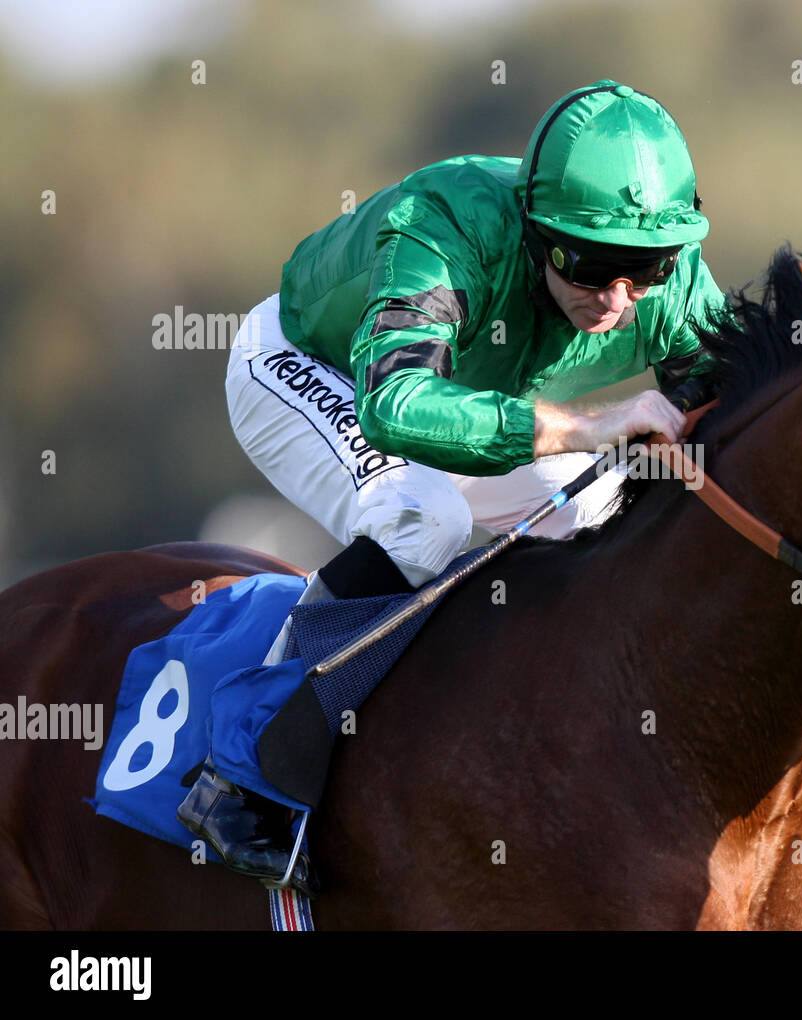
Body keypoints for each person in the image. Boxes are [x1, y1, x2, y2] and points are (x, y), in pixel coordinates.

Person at [177, 80, 726, 893]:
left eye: (644, 270)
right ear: (540, 234)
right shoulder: (447, 224)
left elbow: (731, 411)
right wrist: (579, 427)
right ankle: (245, 772)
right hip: (311, 369)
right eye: (592, 265)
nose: (617, 301)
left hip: (470, 399)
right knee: (423, 517)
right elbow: (395, 406)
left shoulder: (667, 278)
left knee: (600, 507)